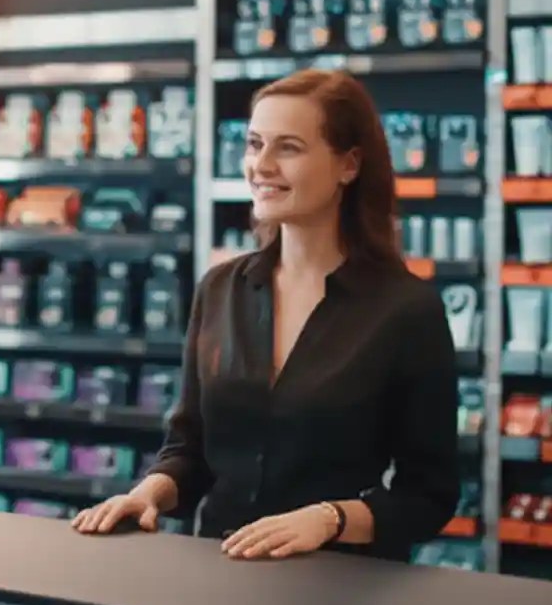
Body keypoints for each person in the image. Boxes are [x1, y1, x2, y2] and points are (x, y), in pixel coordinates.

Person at [72, 69, 459, 562]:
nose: (261, 165)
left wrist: (328, 520)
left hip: (342, 585)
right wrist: (149, 492)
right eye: (255, 145)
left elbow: (429, 496)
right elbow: (190, 448)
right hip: (218, 573)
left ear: (349, 164)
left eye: (289, 148)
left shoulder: (406, 310)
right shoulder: (220, 289)